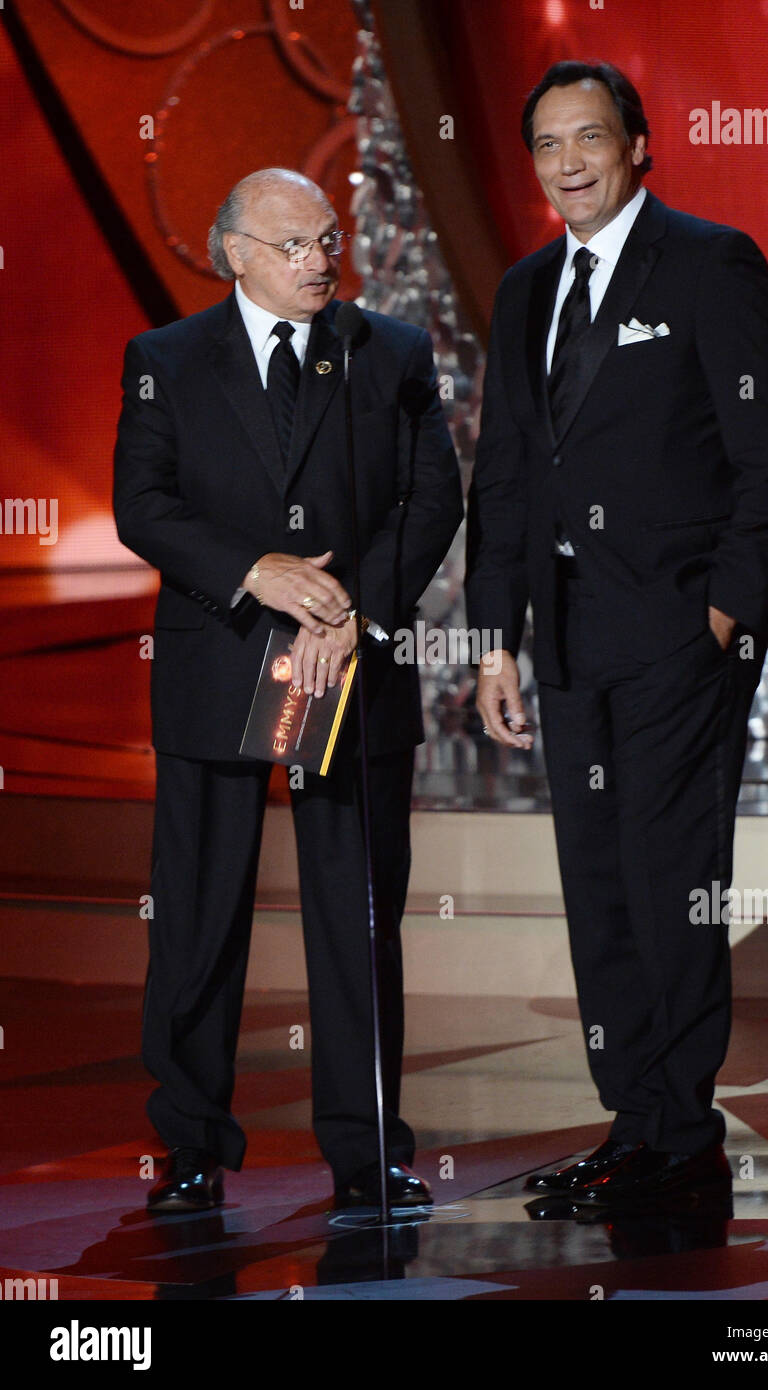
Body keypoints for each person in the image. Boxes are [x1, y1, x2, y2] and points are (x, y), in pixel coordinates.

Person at [466, 62, 768, 1205]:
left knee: (671, 878)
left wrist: (727, 611)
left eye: (590, 139)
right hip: (561, 640)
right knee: (600, 883)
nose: (570, 163)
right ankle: (636, 1118)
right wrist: (493, 640)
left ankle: (681, 1126)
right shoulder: (523, 292)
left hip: (677, 635)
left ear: (639, 144)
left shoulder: (712, 263)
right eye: (549, 145)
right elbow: (505, 475)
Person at [114, 167, 463, 1212]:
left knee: (357, 916)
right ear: (234, 253)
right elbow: (144, 504)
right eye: (295, 245)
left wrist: (354, 609)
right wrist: (255, 571)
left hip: (349, 663)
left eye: (329, 240)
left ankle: (367, 1150)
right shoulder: (165, 360)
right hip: (220, 658)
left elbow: (431, 494)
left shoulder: (387, 350)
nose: (321, 261)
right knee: (197, 915)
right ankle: (189, 1144)